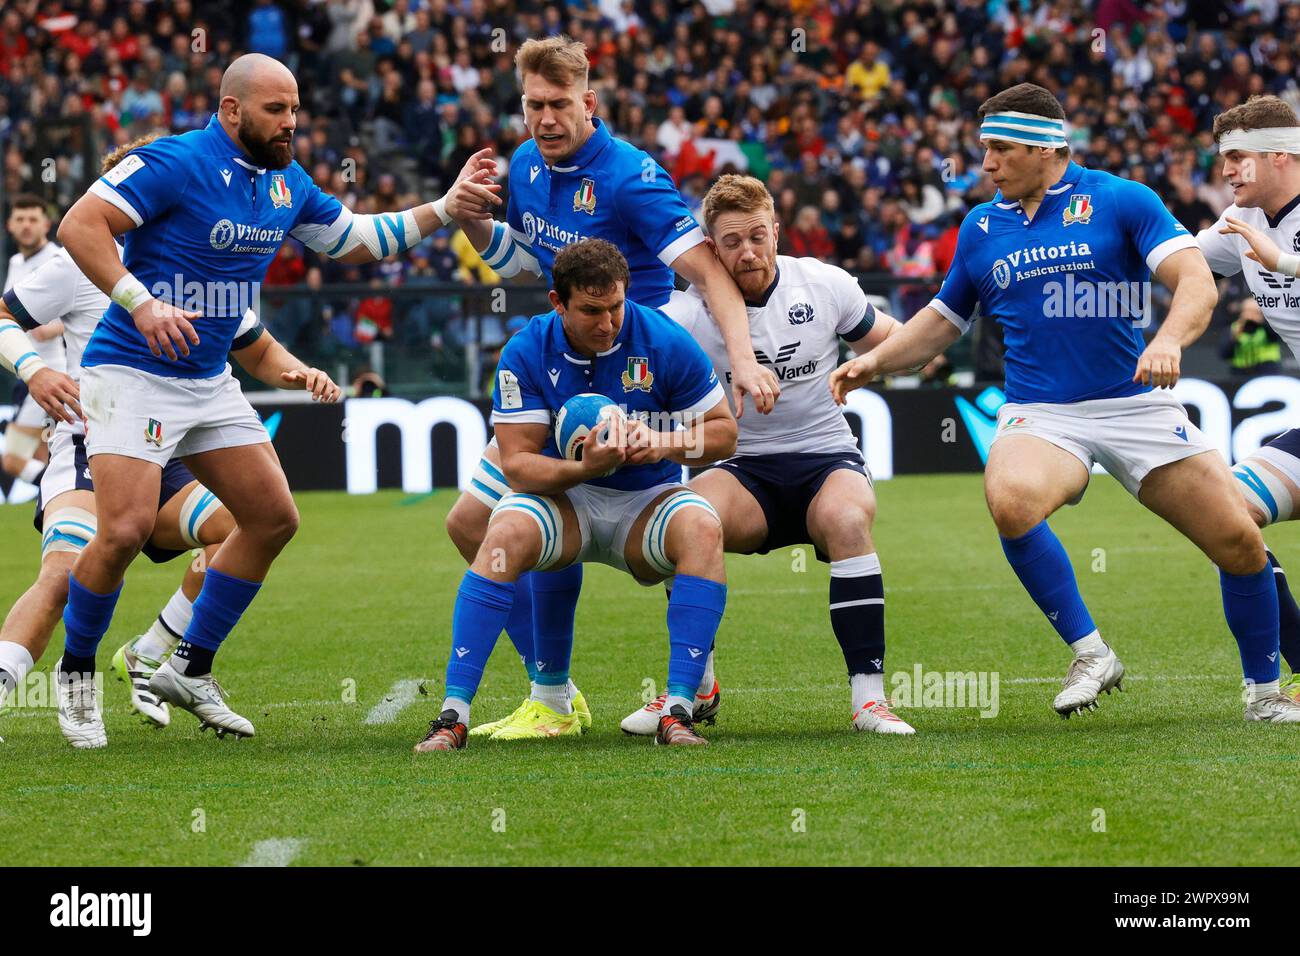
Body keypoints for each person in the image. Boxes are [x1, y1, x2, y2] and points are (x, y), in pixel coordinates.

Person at [51, 52, 496, 746]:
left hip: (206, 379)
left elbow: (355, 239)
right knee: (123, 531)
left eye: (295, 108)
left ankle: (190, 665)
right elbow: (80, 225)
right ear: (232, 110)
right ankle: (75, 672)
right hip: (132, 370)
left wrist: (444, 208)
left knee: (272, 518)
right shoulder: (174, 161)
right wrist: (140, 304)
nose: (292, 122)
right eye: (276, 109)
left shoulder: (286, 182)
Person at [831, 82, 1300, 724]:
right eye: (983, 150)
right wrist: (874, 361)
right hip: (1042, 413)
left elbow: (1194, 280)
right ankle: (1091, 651)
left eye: (999, 149)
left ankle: (1264, 694)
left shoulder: (1121, 200)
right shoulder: (980, 226)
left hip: (1138, 407)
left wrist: (1166, 339)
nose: (986, 164)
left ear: (1046, 148)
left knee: (1238, 541)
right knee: (1011, 500)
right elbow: (943, 319)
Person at [440, 35, 778, 740]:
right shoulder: (528, 166)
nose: (545, 119)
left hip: (633, 375)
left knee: (651, 537)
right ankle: (553, 694)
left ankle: (649, 681)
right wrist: (475, 223)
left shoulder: (630, 176)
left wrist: (741, 360)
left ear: (588, 102)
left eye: (560, 104)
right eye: (533, 104)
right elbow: (525, 268)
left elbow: (709, 272)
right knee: (470, 523)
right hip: (562, 365)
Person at [414, 239, 736, 751]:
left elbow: (723, 434)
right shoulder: (525, 349)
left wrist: (660, 443)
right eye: (590, 311)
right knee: (503, 530)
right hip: (570, 503)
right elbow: (517, 464)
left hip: (644, 502)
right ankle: (454, 716)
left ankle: (679, 710)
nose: (607, 323)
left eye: (615, 307)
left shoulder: (664, 340)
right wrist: (579, 467)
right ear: (557, 303)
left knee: (702, 525)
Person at [622, 174, 916, 735]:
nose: (748, 251)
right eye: (731, 242)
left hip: (826, 456)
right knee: (682, 521)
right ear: (709, 248)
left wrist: (875, 362)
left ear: (777, 231)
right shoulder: (682, 317)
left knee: (847, 519)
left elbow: (905, 346)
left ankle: (870, 702)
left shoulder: (826, 285)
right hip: (739, 467)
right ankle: (696, 685)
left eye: (758, 236)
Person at [1195, 95, 1300, 698]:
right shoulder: (1241, 225)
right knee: (1223, 515)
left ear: (1279, 155)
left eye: (1237, 157)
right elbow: (1174, 262)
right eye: (1223, 159)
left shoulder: (1264, 239)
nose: (1227, 170)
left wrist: (1283, 260)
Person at [3, 194, 66, 487]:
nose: (26, 225)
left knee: (13, 460)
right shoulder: (16, 261)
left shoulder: (58, 261)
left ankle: (60, 492)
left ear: (46, 224)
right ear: (9, 225)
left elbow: (90, 309)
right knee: (48, 456)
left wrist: (54, 327)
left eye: (33, 219)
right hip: (25, 376)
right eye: (20, 219)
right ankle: (60, 506)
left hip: (48, 372)